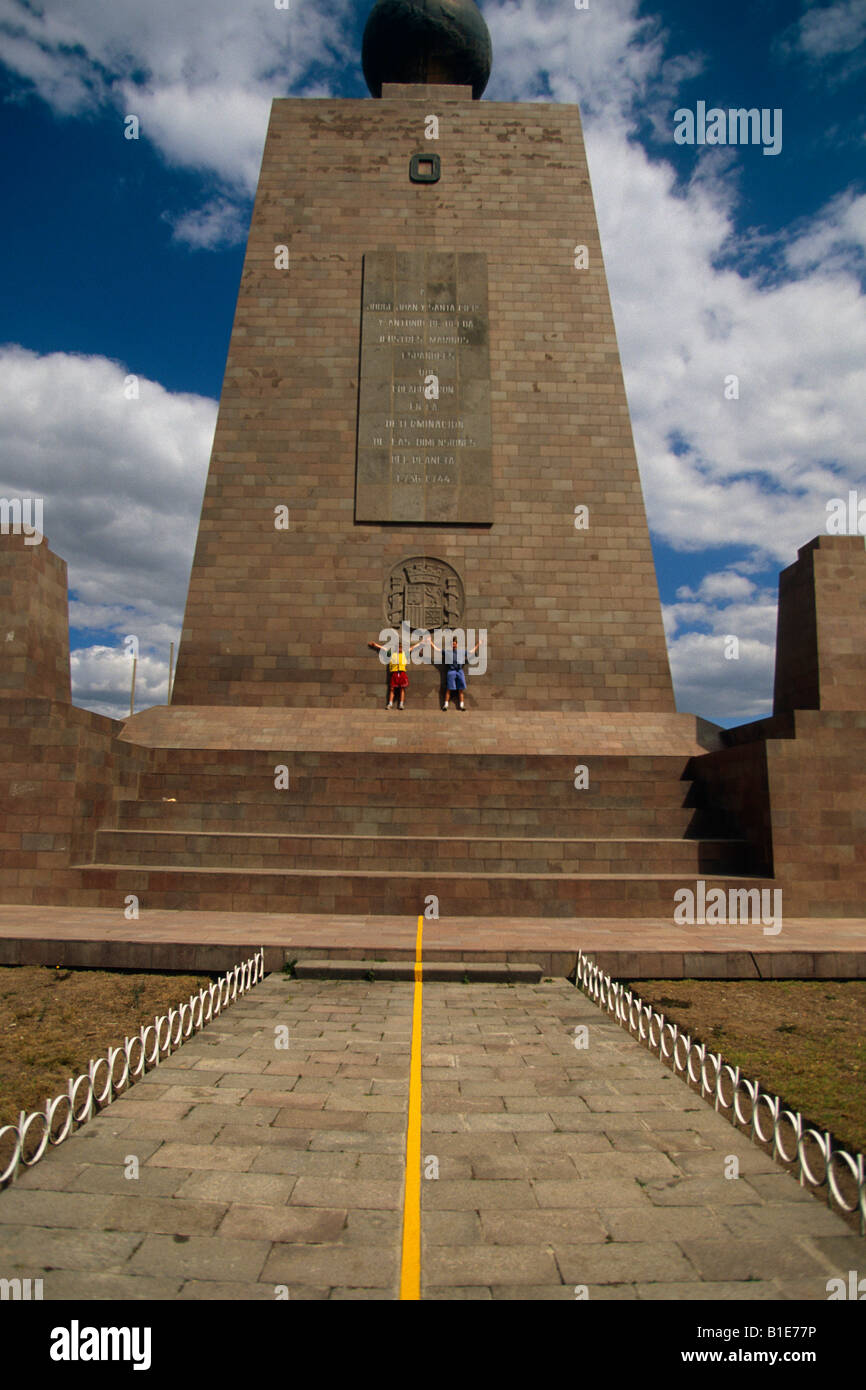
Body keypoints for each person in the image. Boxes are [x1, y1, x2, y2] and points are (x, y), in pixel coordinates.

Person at [367, 632, 426, 709]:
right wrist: (375, 645)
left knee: (402, 688)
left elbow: (413, 647)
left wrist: (421, 643)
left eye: (401, 647)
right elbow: (383, 648)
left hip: (402, 672)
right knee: (392, 689)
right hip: (394, 673)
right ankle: (390, 704)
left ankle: (401, 704)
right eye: (399, 647)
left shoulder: (405, 653)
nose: (400, 649)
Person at [426, 633, 480, 710]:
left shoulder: (462, 652)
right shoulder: (447, 652)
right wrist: (430, 642)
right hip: (451, 671)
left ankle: (461, 705)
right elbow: (436, 649)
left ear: (456, 644)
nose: (453, 645)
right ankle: (446, 705)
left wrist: (478, 644)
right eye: (452, 644)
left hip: (459, 671)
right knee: (449, 688)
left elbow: (471, 652)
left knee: (460, 689)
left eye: (454, 644)